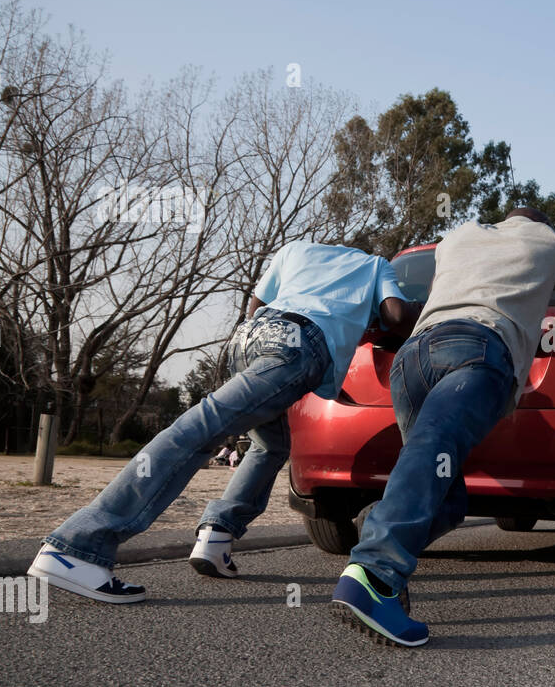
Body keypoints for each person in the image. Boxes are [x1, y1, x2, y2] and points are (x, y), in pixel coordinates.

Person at [27, 240, 418, 603]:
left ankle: (217, 534)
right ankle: (76, 546)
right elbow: (396, 315)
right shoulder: (374, 264)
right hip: (298, 349)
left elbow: (256, 305)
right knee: (197, 431)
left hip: (250, 339)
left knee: (270, 444)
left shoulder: (296, 250)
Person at [331, 208, 555, 647]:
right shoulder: (553, 241)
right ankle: (375, 573)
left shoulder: (458, 235)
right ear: (541, 224)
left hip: (412, 359)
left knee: (444, 493)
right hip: (478, 350)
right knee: (432, 445)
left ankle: (378, 528)